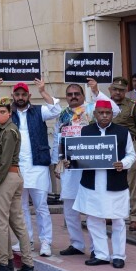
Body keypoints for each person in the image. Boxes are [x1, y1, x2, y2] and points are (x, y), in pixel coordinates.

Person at [52, 79, 117, 257]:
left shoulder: (93, 109)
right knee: (69, 206)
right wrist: (56, 162)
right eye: (70, 95)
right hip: (69, 165)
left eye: (77, 94)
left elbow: (115, 111)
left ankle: (97, 248)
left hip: (90, 164)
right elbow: (57, 139)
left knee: (92, 207)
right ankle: (77, 244)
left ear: (82, 95)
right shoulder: (63, 115)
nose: (73, 97)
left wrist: (96, 91)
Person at [69, 100, 136, 268]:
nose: (104, 116)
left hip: (115, 182)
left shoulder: (122, 132)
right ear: (95, 114)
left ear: (112, 114)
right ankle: (101, 254)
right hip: (91, 183)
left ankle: (119, 255)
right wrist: (69, 158)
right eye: (101, 113)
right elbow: (78, 153)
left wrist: (124, 163)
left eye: (107, 113)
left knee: (118, 220)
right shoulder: (86, 131)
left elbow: (131, 155)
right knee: (93, 219)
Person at [0, 98, 34, 271]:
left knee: (1, 222)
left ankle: (2, 264)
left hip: (6, 177)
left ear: (9, 113)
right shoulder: (1, 130)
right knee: (17, 222)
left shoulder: (9, 131)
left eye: (2, 112)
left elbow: (4, 162)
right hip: (11, 177)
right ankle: (26, 264)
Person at [10, 79, 61, 257]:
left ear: (29, 96)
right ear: (13, 96)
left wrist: (43, 91)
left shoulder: (39, 111)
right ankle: (27, 240)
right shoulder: (9, 113)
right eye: (17, 94)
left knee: (41, 206)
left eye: (24, 94)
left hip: (38, 165)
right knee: (21, 207)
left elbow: (56, 109)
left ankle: (46, 241)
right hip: (17, 167)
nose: (21, 97)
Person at [107, 77, 136, 231]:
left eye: (121, 90)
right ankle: (110, 213)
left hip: (128, 146)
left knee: (133, 182)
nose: (118, 92)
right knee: (109, 181)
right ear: (110, 90)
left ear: (125, 91)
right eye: (115, 89)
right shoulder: (104, 104)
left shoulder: (133, 106)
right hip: (108, 147)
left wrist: (132, 142)